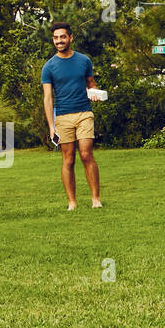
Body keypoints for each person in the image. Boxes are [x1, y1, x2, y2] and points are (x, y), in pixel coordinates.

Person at [41, 21, 101, 209]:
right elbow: (48, 98)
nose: (59, 41)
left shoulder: (84, 61)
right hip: (63, 117)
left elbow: (91, 84)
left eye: (62, 37)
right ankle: (72, 203)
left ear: (70, 38)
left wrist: (96, 93)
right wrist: (52, 127)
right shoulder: (49, 67)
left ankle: (95, 199)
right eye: (56, 38)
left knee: (85, 154)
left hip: (84, 113)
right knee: (68, 159)